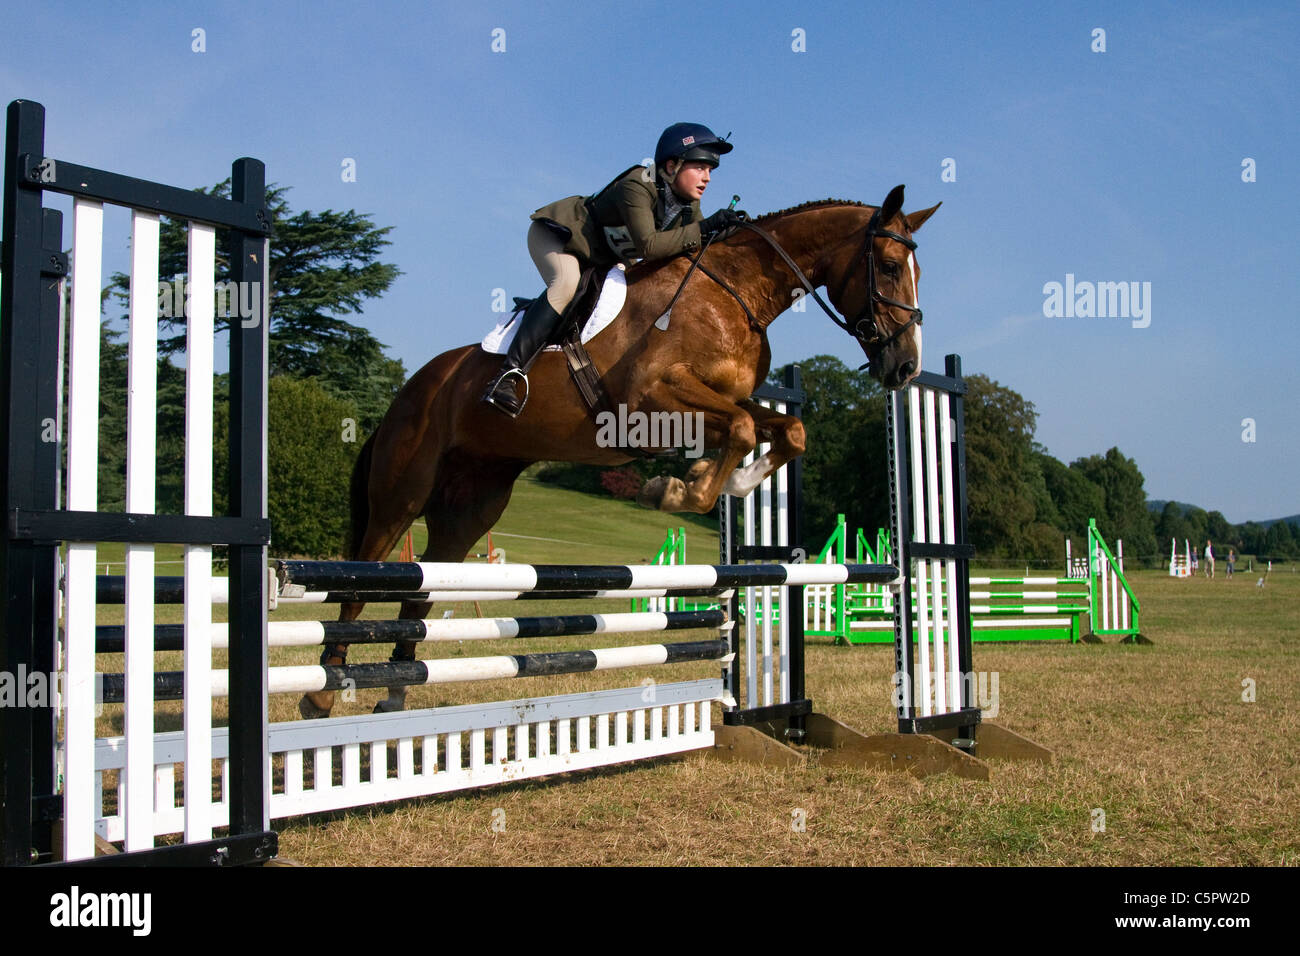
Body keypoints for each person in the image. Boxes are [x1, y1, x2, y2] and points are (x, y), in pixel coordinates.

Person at [483, 123, 747, 416]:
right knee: (567, 285)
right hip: (561, 238)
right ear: (672, 166)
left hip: (604, 257)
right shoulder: (638, 184)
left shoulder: (687, 207)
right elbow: (649, 247)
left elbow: (689, 246)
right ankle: (508, 375)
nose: (707, 178)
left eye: (710, 170)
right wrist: (706, 227)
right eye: (700, 168)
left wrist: (723, 233)